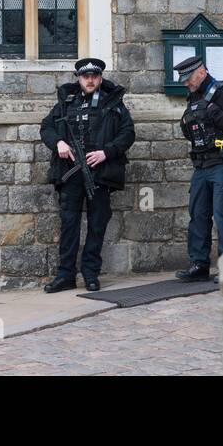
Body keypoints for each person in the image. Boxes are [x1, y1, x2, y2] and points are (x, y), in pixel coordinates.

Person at [39, 57, 135, 293]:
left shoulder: (113, 104)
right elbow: (46, 128)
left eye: (94, 76)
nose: (90, 80)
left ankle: (91, 273)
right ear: (79, 79)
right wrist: (59, 142)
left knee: (97, 223)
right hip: (71, 174)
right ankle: (66, 275)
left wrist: (106, 152)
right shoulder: (65, 103)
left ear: (100, 78)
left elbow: (128, 134)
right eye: (85, 77)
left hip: (99, 173)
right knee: (69, 224)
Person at [173, 55, 223, 282]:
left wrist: (214, 113)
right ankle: (199, 264)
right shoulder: (193, 98)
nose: (186, 83)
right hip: (202, 165)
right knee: (198, 215)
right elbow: (192, 131)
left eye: (189, 78)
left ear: (201, 72)